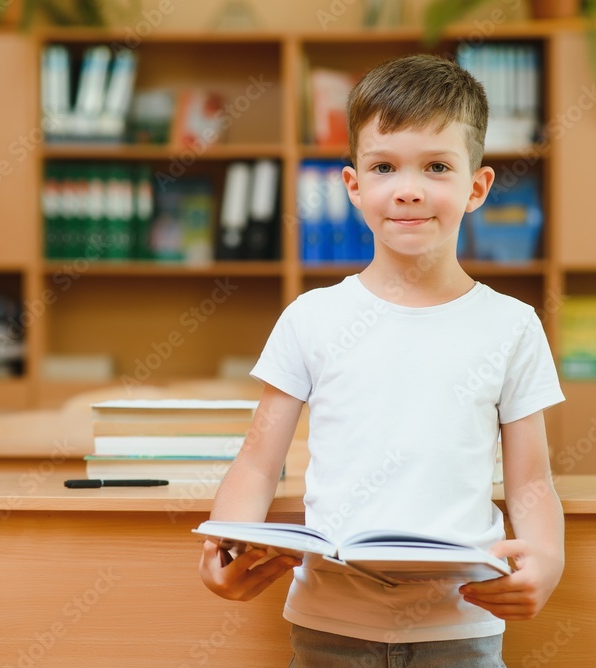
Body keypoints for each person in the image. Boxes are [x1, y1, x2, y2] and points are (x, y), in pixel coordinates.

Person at [198, 53, 565, 667]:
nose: (409, 188)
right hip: (327, 625)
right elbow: (257, 465)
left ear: (477, 188)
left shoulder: (513, 326)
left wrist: (547, 559)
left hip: (462, 628)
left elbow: (531, 483)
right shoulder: (310, 318)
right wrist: (226, 546)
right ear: (354, 185)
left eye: (438, 166)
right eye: (385, 166)